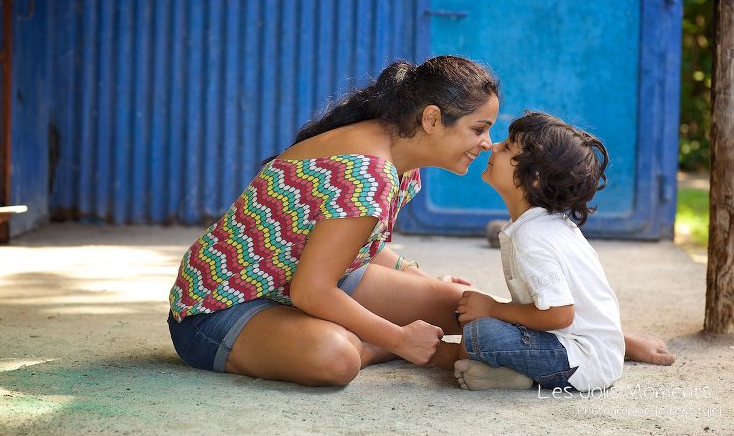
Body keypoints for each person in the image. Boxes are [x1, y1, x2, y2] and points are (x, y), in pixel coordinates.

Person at [167, 56, 674, 387]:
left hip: (303, 281)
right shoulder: (366, 173)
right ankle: (373, 345)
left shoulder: (396, 151)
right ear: (432, 119)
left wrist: (413, 275)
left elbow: (352, 243)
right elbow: (311, 291)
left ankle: (591, 344)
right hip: (221, 307)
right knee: (334, 359)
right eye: (478, 128)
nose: (485, 143)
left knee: (466, 306)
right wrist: (394, 337)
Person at [450, 111, 623, 392]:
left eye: (506, 147)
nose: (493, 147)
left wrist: (493, 309)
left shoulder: (533, 236)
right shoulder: (539, 226)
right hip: (572, 348)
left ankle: (443, 357)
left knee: (479, 334)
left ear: (534, 179)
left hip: (582, 361)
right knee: (475, 320)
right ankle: (518, 377)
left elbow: (559, 315)